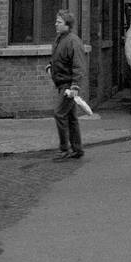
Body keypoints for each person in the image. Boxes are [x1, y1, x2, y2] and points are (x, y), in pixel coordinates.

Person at [46, 9, 86, 160]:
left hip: (68, 86)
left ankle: (64, 149)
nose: (55, 24)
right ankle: (77, 149)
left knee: (59, 113)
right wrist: (50, 66)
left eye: (59, 22)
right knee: (71, 117)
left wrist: (75, 86)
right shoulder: (59, 39)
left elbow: (79, 66)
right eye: (56, 21)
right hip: (63, 83)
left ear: (67, 25)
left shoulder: (73, 41)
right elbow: (57, 58)